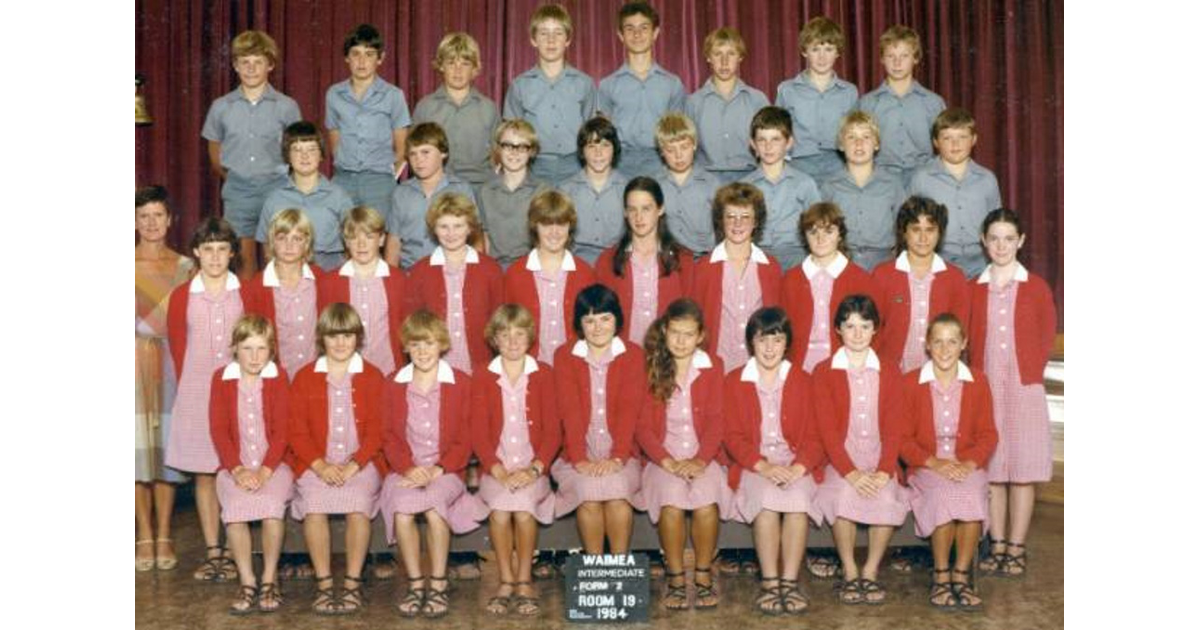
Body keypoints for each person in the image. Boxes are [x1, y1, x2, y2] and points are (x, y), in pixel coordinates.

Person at [379, 310, 488, 618]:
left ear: (441, 344)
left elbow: (467, 436)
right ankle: (416, 584)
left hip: (446, 469)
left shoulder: (460, 382)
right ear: (406, 348)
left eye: (428, 343)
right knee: (402, 510)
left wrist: (439, 468)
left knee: (433, 506)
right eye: (415, 345)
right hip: (405, 469)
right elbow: (388, 435)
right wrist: (408, 468)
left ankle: (438, 583)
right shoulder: (393, 383)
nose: (422, 351)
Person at [968, 208, 1057, 579]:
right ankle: (998, 542)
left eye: (1009, 238)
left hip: (1022, 388)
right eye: (994, 238)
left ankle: (1017, 545)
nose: (1001, 246)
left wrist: (1030, 374)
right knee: (994, 469)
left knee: (1021, 471)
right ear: (984, 242)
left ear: (1020, 241)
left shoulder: (1035, 286)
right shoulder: (975, 287)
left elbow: (1045, 332)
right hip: (988, 389)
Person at [723, 307, 824, 615]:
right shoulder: (734, 381)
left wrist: (797, 467)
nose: (769, 348)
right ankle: (770, 582)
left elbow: (816, 435)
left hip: (795, 463)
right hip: (756, 464)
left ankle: (790, 582)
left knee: (796, 502)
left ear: (786, 343)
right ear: (750, 342)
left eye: (777, 340)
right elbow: (732, 435)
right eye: (761, 339)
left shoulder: (804, 380)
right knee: (766, 502)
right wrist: (763, 466)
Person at [289, 303, 387, 615]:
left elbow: (377, 430)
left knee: (358, 505)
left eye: (347, 335)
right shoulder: (305, 377)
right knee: (315, 509)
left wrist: (354, 465)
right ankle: (324, 584)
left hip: (360, 463)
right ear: (322, 339)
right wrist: (320, 466)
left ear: (358, 338)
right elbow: (297, 430)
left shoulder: (372, 376)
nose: (341, 343)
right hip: (317, 463)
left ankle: (352, 584)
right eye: (334, 336)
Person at [164, 217, 247, 582]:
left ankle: (233, 550)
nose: (215, 258)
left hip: (237, 394)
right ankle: (213, 550)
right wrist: (192, 390)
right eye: (208, 249)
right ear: (196, 252)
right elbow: (179, 348)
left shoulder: (244, 292)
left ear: (232, 253)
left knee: (233, 471)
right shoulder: (183, 295)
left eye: (222, 249)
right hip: (197, 393)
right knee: (204, 475)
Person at [812, 294, 909, 605]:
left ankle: (870, 571)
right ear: (838, 329)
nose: (857, 334)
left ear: (875, 330)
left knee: (886, 495)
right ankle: (850, 570)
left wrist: (884, 470)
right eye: (849, 326)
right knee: (841, 496)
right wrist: (851, 473)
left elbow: (896, 425)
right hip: (842, 459)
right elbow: (827, 431)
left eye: (864, 326)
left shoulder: (890, 370)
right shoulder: (824, 371)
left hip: (880, 456)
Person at [635, 299, 729, 611]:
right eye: (675, 332)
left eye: (689, 334)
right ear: (664, 330)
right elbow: (643, 427)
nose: (680, 340)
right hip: (664, 457)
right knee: (671, 503)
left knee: (705, 504)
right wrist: (668, 462)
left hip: (704, 456)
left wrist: (701, 460)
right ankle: (676, 578)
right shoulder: (651, 365)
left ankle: (702, 575)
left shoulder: (713, 366)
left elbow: (718, 420)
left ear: (700, 335)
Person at [900, 313, 997, 611]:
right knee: (943, 495)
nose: (944, 350)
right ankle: (941, 575)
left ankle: (961, 575)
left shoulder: (978, 381)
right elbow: (902, 438)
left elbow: (988, 434)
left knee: (969, 493)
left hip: (966, 464)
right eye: (938, 342)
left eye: (952, 342)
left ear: (964, 344)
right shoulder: (911, 382)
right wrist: (934, 463)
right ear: (927, 345)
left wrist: (969, 464)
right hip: (927, 465)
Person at [472, 305, 561, 617]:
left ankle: (524, 579)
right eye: (504, 335)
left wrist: (535, 468)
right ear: (494, 339)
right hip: (496, 469)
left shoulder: (544, 374)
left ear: (530, 337)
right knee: (498, 513)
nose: (512, 341)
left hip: (532, 467)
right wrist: (497, 470)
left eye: (519, 334)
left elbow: (553, 432)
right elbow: (478, 432)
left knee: (523, 513)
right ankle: (505, 580)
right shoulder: (483, 376)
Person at [551, 284, 646, 553]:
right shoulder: (565, 356)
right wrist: (580, 459)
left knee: (617, 494)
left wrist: (617, 458)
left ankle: (617, 569)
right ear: (579, 324)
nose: (597, 327)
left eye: (605, 318)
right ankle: (596, 570)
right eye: (589, 320)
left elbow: (630, 411)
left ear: (617, 319)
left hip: (623, 454)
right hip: (576, 455)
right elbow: (568, 411)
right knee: (588, 496)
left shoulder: (633, 354)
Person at [209, 314, 294, 614]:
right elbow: (219, 430)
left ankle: (270, 578)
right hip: (235, 466)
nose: (255, 356)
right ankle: (247, 580)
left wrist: (265, 471)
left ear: (271, 350)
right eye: (247, 348)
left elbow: (283, 431)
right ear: (234, 349)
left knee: (272, 510)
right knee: (235, 512)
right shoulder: (222, 378)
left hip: (274, 466)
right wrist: (238, 469)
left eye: (261, 349)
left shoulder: (278, 376)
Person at [202, 30, 301, 280]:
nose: (251, 68)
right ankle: (248, 317)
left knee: (276, 257)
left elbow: (297, 151)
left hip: (277, 188)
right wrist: (234, 178)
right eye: (245, 62)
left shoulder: (286, 106)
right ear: (235, 65)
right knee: (242, 261)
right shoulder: (221, 106)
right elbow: (214, 152)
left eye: (258, 62)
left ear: (270, 65)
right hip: (238, 190)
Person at [135, 186, 193, 572]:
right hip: (128, 364)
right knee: (135, 451)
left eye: (159, 215)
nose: (152, 223)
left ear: (170, 219)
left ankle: (166, 533)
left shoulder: (187, 265)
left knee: (165, 451)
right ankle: (143, 534)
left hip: (172, 363)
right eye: (144, 216)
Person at [408, 193, 505, 375]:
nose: (451, 234)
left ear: (469, 228)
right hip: (434, 369)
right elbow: (413, 327)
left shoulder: (490, 270)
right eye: (444, 226)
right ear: (434, 229)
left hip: (480, 366)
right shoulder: (419, 272)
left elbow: (499, 324)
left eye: (458, 226)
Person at [691, 182, 783, 372]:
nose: (737, 223)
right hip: (716, 366)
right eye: (730, 216)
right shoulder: (703, 268)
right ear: (721, 221)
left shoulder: (771, 267)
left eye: (745, 217)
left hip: (759, 367)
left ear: (756, 221)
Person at [781, 202, 881, 373]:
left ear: (840, 235)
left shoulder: (862, 280)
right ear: (805, 236)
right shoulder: (790, 279)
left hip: (845, 366)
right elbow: (781, 332)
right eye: (813, 232)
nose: (820, 239)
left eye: (828, 231)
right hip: (799, 367)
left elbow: (875, 331)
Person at [873, 196, 970, 372]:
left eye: (930, 230)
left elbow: (960, 332)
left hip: (938, 373)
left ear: (940, 233)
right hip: (893, 373)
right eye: (916, 229)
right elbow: (874, 330)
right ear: (904, 232)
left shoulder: (955, 278)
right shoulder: (883, 275)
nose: (923, 237)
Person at [504, 3, 597, 185]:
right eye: (544, 33)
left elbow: (591, 129)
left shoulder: (584, 83)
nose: (551, 40)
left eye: (558, 33)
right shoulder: (519, 85)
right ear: (533, 40)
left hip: (575, 167)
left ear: (568, 40)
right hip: (534, 167)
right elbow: (510, 132)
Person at [595, 177, 694, 346]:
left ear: (660, 209)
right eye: (632, 209)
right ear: (625, 213)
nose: (638, 217)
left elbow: (690, 315)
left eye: (646, 209)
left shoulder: (682, 259)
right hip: (623, 358)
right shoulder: (608, 260)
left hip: (668, 356)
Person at [326, 23, 411, 214]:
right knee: (341, 236)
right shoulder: (334, 94)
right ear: (347, 57)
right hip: (343, 179)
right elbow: (335, 143)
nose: (362, 61)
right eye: (355, 53)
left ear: (380, 58)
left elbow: (402, 148)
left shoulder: (393, 95)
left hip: (379, 181)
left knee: (377, 237)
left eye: (369, 54)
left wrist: (387, 176)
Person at [907, 107, 1003, 278]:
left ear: (974, 139)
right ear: (936, 142)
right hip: (938, 263)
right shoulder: (921, 178)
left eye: (962, 137)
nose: (955, 144)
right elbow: (908, 225)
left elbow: (996, 226)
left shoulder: (987, 179)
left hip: (980, 263)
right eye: (947, 138)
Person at [504, 189, 596, 365]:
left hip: (575, 367)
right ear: (534, 226)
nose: (554, 232)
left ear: (570, 226)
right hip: (530, 368)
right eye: (546, 224)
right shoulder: (515, 274)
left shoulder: (585, 273)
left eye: (561, 224)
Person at [598, 1, 686, 178]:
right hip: (619, 164)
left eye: (644, 28)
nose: (637, 34)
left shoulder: (672, 83)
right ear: (620, 35)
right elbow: (604, 134)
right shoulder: (607, 85)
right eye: (629, 28)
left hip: (661, 163)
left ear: (655, 33)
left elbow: (677, 133)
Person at [319, 206, 409, 377]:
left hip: (389, 370)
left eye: (369, 237)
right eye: (353, 238)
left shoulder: (399, 280)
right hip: (346, 372)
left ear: (382, 239)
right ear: (346, 241)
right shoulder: (330, 282)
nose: (361, 244)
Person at [254, 121, 355, 271]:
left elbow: (352, 240)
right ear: (287, 155)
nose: (305, 156)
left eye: (312, 149)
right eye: (297, 150)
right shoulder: (274, 199)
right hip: (288, 276)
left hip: (329, 273)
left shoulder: (339, 197)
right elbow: (267, 246)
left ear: (321, 154)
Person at [857, 25, 946, 185]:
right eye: (891, 56)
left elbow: (944, 147)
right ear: (882, 59)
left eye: (904, 56)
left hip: (924, 178)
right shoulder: (867, 103)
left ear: (916, 58)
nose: (897, 62)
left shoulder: (933, 102)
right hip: (881, 180)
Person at [775, 17, 859, 181]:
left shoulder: (849, 92)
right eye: (815, 49)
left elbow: (855, 133)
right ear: (804, 51)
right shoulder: (787, 90)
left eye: (828, 49)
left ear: (838, 52)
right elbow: (778, 133)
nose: (822, 57)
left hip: (838, 166)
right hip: (798, 166)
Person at [820, 111, 906, 271]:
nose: (858, 143)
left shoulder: (892, 184)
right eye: (851, 137)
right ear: (841, 145)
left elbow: (903, 226)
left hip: (883, 262)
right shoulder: (829, 186)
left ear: (876, 144)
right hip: (841, 261)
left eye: (866, 137)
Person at [412, 32, 500, 188]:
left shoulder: (489, 108)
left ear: (475, 68)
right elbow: (415, 154)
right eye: (451, 63)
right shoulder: (425, 107)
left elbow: (498, 155)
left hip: (479, 188)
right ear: (441, 65)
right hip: (438, 186)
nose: (458, 71)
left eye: (465, 64)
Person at [384, 122, 478, 269]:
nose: (418, 159)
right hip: (410, 273)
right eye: (413, 154)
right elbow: (394, 241)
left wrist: (475, 274)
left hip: (451, 271)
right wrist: (391, 280)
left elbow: (475, 237)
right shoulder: (401, 192)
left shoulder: (461, 189)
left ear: (443, 153)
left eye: (425, 152)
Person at [244, 208, 323, 377]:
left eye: (297, 238)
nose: (289, 245)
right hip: (276, 378)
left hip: (316, 377)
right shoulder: (256, 286)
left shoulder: (321, 279)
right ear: (272, 242)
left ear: (307, 242)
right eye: (282, 238)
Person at [741, 106, 822, 270]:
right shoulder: (744, 186)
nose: (768, 146)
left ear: (789, 143)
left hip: (798, 258)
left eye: (775, 139)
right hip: (757, 257)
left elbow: (817, 226)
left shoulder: (805, 183)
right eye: (762, 140)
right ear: (753, 145)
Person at [685, 27, 768, 184]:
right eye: (718, 54)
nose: (724, 61)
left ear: (740, 57)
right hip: (707, 179)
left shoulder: (757, 100)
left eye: (731, 54)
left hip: (750, 178)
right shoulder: (693, 103)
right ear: (708, 57)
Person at [478, 119, 550, 268]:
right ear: (498, 148)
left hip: (531, 268)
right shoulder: (485, 191)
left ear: (531, 151)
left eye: (522, 147)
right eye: (508, 145)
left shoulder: (543, 191)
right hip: (494, 267)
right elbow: (484, 238)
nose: (514, 152)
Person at [558, 116, 628, 265]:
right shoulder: (565, 190)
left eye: (605, 145)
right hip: (576, 262)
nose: (598, 153)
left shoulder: (627, 189)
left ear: (615, 149)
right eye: (591, 146)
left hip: (615, 262)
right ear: (582, 152)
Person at [653, 112, 720, 256]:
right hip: (667, 259)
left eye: (684, 147)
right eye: (670, 150)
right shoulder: (654, 185)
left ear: (695, 144)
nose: (678, 155)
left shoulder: (711, 184)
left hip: (702, 258)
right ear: (661, 152)